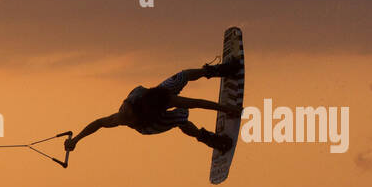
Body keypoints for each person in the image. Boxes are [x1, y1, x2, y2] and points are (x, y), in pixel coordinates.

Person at [64, 60, 244, 154]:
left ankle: (216, 70)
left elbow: (198, 103)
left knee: (182, 76)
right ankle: (207, 138)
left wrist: (226, 108)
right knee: (180, 117)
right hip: (149, 125)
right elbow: (98, 123)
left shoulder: (164, 96)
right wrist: (76, 140)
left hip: (155, 97)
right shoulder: (124, 117)